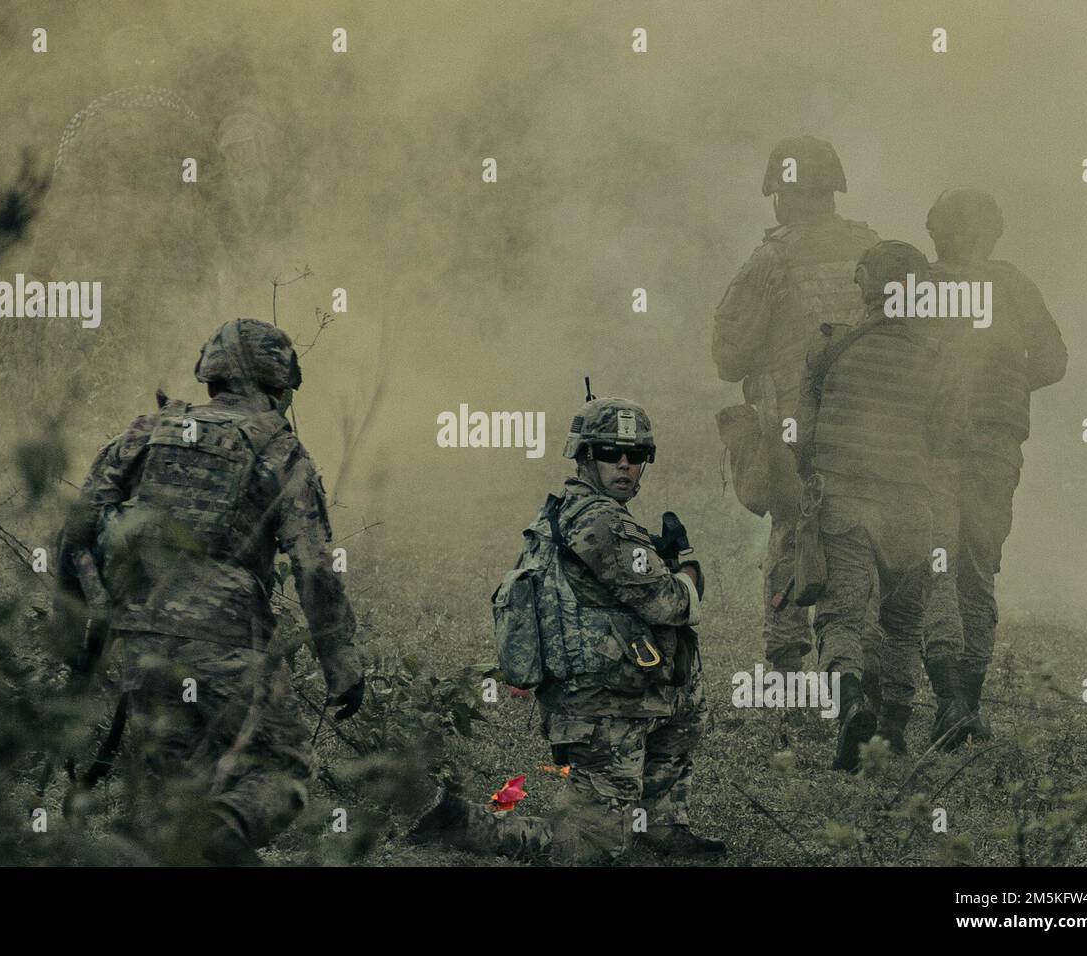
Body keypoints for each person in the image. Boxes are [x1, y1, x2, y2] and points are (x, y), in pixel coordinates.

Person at [58, 318, 364, 863]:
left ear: (210, 378)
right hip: (227, 640)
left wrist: (89, 626)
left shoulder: (147, 432)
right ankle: (216, 837)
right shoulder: (279, 448)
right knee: (283, 771)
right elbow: (314, 566)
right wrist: (341, 662)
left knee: (177, 800)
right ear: (281, 387)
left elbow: (74, 534)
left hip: (142, 642)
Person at [413, 397, 723, 862]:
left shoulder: (570, 510)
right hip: (600, 710)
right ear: (583, 457)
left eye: (635, 456)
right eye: (608, 453)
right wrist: (688, 577)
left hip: (617, 692)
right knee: (592, 846)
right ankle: (465, 825)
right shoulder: (600, 520)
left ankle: (658, 824)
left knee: (687, 706)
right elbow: (666, 603)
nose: (624, 465)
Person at [712, 136, 880, 683]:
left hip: (793, 424)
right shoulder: (873, 251)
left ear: (780, 195)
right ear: (832, 191)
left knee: (791, 532)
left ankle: (785, 673)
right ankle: (857, 669)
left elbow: (728, 356)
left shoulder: (772, 260)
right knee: (861, 535)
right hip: (867, 422)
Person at [794, 242, 968, 770]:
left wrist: (814, 478)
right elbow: (946, 438)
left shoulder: (830, 347)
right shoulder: (938, 357)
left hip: (845, 501)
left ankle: (849, 706)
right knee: (903, 620)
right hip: (909, 506)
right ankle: (893, 726)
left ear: (866, 282)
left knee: (840, 616)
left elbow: (801, 434)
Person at [923, 188, 1068, 740]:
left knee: (936, 563)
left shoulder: (923, 286)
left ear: (937, 232)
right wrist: (1007, 390)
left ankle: (949, 700)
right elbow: (1053, 362)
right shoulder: (1015, 284)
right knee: (978, 568)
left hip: (934, 443)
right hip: (995, 444)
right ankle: (969, 704)